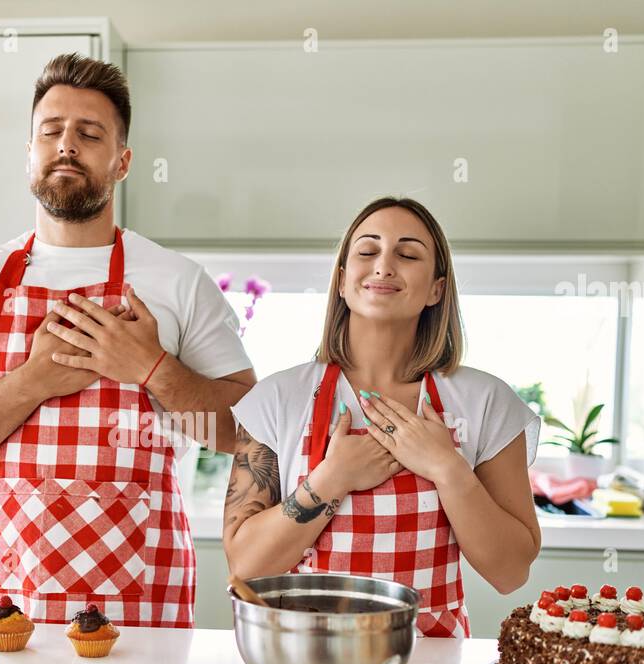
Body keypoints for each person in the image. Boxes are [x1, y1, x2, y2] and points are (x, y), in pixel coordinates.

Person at [0, 53, 255, 628]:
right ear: (29, 153)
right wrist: (33, 381)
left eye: (90, 134)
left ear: (123, 161)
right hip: (6, 608)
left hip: (140, 608)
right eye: (51, 131)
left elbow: (246, 434)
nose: (67, 145)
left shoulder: (175, 281)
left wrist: (152, 367)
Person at [223, 196, 541, 637]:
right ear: (341, 280)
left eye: (408, 254)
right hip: (305, 661)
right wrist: (331, 479)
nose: (384, 266)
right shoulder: (277, 399)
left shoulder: (485, 402)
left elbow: (510, 572)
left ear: (436, 289)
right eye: (367, 251)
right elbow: (246, 567)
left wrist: (447, 468)